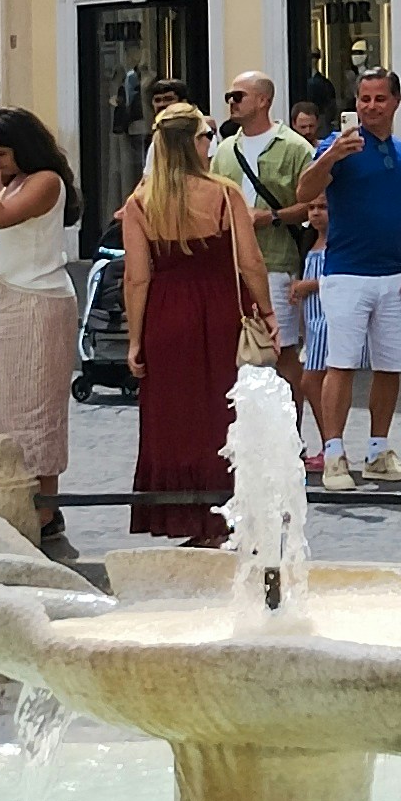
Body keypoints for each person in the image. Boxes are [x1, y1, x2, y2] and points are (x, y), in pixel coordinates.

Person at [121, 100, 266, 545]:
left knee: (175, 414)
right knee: (220, 410)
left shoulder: (141, 201)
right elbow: (251, 264)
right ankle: (226, 513)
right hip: (220, 306)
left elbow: (136, 277)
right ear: (192, 144)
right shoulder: (225, 193)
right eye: (206, 136)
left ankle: (179, 514)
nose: (210, 142)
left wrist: (134, 339)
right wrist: (268, 312)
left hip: (167, 314)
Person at [290, 70, 401, 491]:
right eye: (364, 99)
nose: (371, 106)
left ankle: (378, 451)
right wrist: (331, 156)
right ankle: (333, 454)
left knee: (390, 366)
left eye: (379, 98)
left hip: (395, 273)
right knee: (341, 364)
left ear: (396, 101)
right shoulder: (337, 145)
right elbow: (303, 191)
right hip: (346, 273)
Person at [0, 108, 79, 495]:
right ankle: (21, 492)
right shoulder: (15, 182)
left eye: (2, 155)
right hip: (11, 294)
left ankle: (45, 502)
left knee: (37, 409)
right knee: (10, 408)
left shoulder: (46, 181)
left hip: (39, 301)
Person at [215, 73, 318, 461]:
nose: (232, 101)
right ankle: (248, 438)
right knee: (238, 352)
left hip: (276, 261)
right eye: (229, 96)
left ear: (262, 100)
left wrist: (272, 216)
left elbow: (313, 203)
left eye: (238, 95)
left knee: (282, 352)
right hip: (230, 262)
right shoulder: (225, 149)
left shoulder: (293, 147)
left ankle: (292, 438)